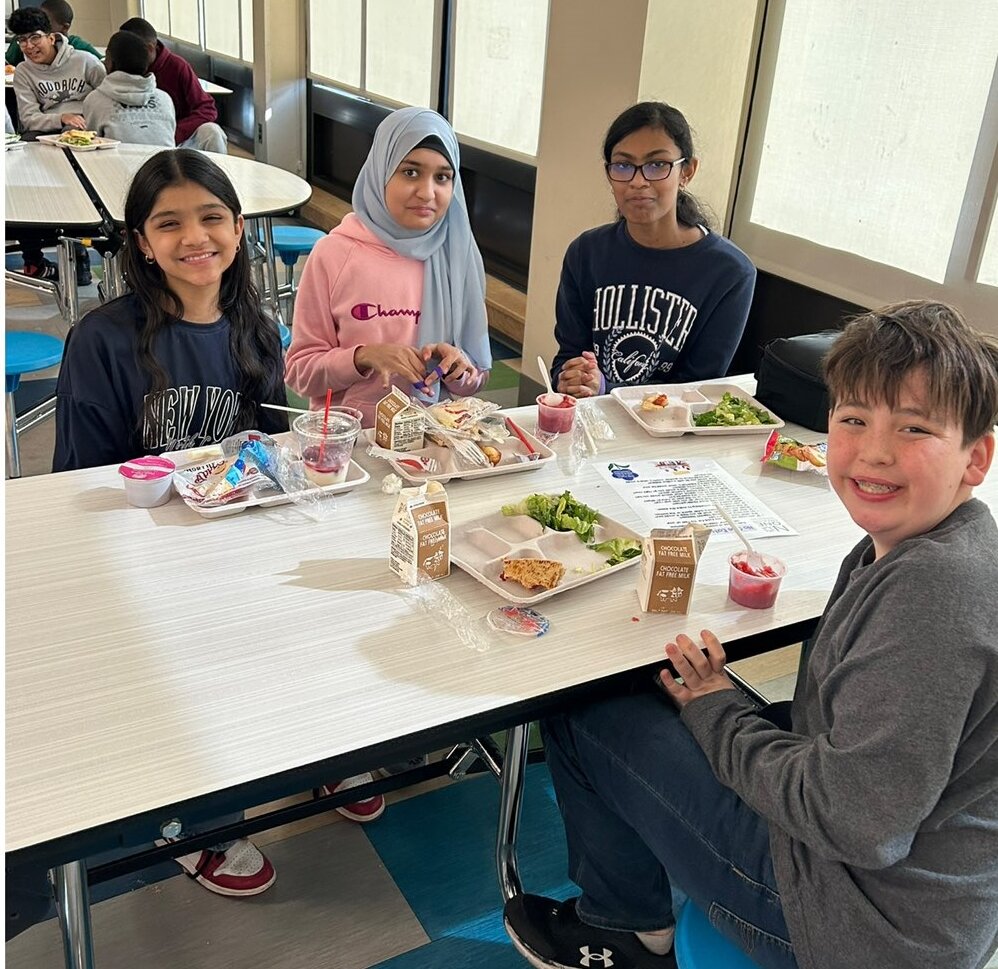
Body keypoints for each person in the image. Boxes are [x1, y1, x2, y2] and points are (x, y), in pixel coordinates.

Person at [504, 299, 998, 969]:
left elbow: (857, 824)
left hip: (858, 925)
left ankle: (623, 929)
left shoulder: (935, 593)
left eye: (914, 428)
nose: (876, 450)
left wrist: (717, 712)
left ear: (977, 458)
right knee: (661, 692)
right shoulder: (931, 543)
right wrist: (718, 710)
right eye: (855, 418)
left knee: (582, 707)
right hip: (905, 891)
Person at [285, 105, 493, 429]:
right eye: (410, 172)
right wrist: (364, 356)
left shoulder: (457, 256)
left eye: (442, 177)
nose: (427, 192)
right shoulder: (334, 255)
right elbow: (301, 375)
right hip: (350, 448)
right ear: (381, 170)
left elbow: (476, 379)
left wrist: (459, 369)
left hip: (431, 442)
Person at [552, 101, 756, 398]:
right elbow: (568, 356)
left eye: (657, 165)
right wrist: (571, 377)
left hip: (673, 435)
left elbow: (699, 388)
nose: (638, 181)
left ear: (687, 171)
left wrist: (608, 388)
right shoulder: (586, 253)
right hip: (589, 423)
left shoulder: (730, 272)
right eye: (622, 166)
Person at [8, 5, 105, 284]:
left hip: (88, 139)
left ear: (51, 37)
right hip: (47, 139)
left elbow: (107, 102)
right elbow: (29, 119)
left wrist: (86, 123)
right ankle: (33, 261)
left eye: (35, 37)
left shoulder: (86, 61)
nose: (28, 46)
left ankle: (82, 257)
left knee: (81, 193)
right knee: (20, 180)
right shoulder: (25, 72)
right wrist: (61, 117)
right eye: (21, 40)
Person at [118, 16, 226, 153]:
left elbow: (206, 108)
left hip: (176, 137)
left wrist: (176, 132)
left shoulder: (177, 66)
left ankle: (217, 173)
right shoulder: (122, 67)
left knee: (212, 132)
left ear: (150, 48)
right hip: (138, 138)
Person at [82, 30, 175, 146]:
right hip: (164, 163)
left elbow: (91, 144)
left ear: (110, 62)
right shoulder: (165, 99)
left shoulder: (94, 100)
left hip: (117, 163)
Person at [5, 0, 103, 66]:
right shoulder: (23, 43)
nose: (30, 45)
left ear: (65, 27)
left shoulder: (78, 48)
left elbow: (105, 64)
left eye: (46, 22)